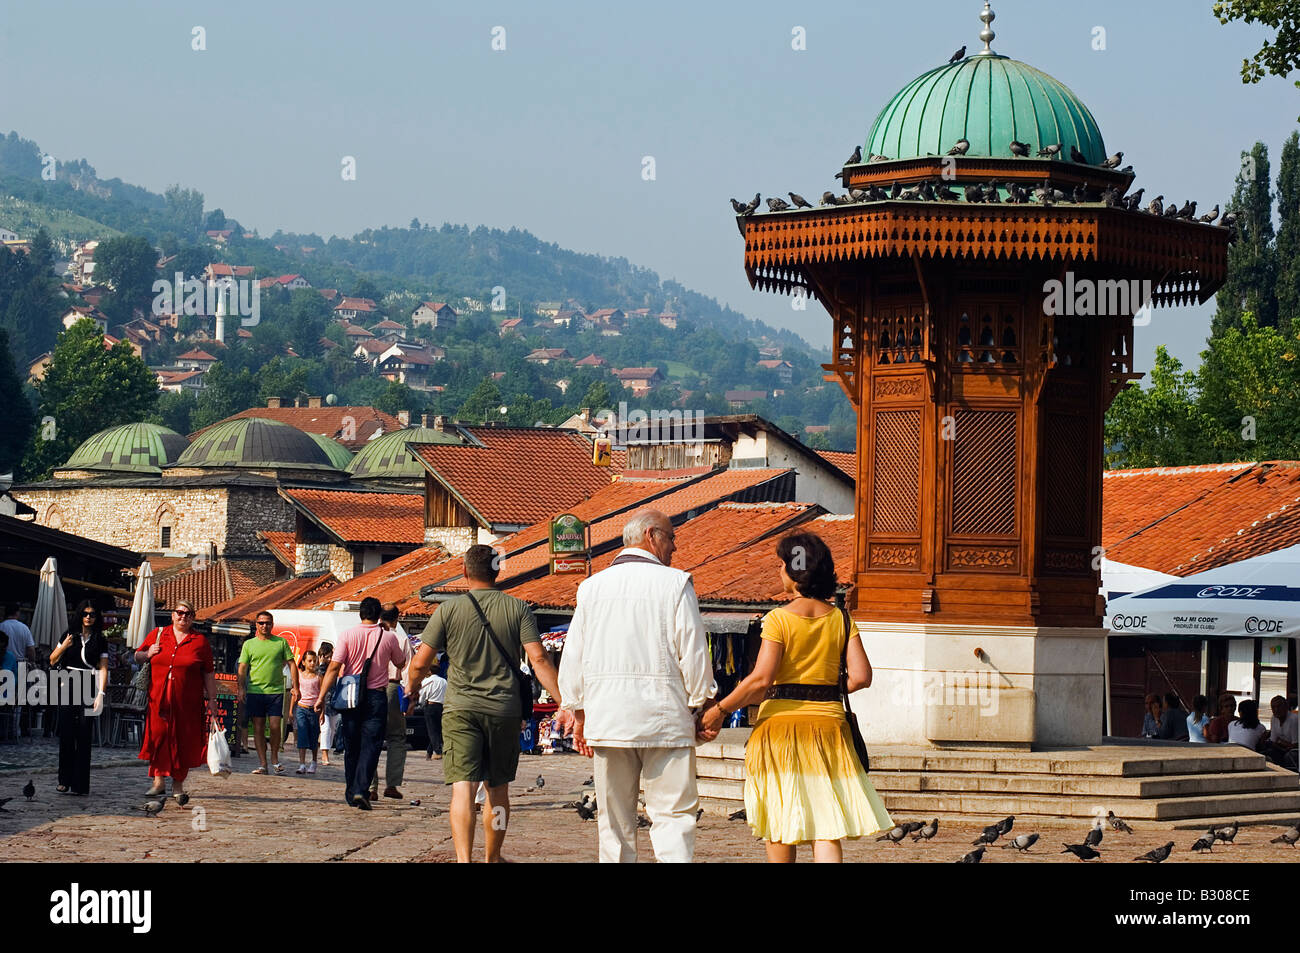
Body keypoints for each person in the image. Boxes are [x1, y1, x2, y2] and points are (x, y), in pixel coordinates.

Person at [699, 532, 892, 862]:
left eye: (781, 565)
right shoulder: (841, 619)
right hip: (829, 727)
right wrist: (826, 687)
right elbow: (861, 677)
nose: (779, 571)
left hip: (780, 729)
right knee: (826, 823)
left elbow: (761, 680)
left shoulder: (778, 619)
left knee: (780, 814)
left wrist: (719, 710)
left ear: (793, 570)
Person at [557, 509, 715, 863]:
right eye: (671, 537)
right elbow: (692, 651)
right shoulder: (675, 583)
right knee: (672, 817)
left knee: (613, 822)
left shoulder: (591, 587)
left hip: (609, 717)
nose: (674, 546)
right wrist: (700, 703)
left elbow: (574, 655)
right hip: (664, 719)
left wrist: (577, 709)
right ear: (651, 535)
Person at [407, 544, 563, 862]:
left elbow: (421, 663)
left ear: (465, 572)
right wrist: (564, 700)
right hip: (503, 711)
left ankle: (464, 860)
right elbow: (539, 659)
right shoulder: (519, 609)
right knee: (497, 788)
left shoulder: (447, 610)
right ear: (497, 571)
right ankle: (493, 857)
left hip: (460, 709)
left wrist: (411, 686)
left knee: (463, 787)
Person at [316, 598, 407, 810]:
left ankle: (351, 791)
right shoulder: (388, 637)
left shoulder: (347, 635)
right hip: (376, 696)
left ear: (360, 614)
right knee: (371, 745)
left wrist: (321, 697)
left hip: (350, 694)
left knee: (351, 745)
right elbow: (401, 662)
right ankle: (361, 789)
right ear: (378, 616)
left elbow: (333, 667)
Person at [135, 600, 218, 805]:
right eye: (179, 613)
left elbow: (208, 672)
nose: (183, 617)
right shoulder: (158, 634)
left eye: (188, 614)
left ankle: (178, 784)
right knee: (158, 737)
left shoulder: (199, 641)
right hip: (159, 699)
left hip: (187, 703)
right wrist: (148, 653)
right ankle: (158, 781)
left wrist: (213, 699)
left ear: (193, 618)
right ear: (172, 615)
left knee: (183, 741)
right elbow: (137, 656)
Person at [48, 600, 109, 796]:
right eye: (85, 613)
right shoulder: (68, 635)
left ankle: (80, 783)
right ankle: (64, 780)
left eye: (92, 614)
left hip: (90, 683)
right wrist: (64, 646)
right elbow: (52, 659)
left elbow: (103, 668)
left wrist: (101, 693)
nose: (88, 617)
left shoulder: (100, 639)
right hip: (68, 682)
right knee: (66, 731)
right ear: (79, 615)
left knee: (84, 733)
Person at [237, 610, 298, 775]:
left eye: (268, 623)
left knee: (275, 726)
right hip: (256, 691)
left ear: (272, 625)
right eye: (261, 623)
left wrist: (296, 686)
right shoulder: (249, 644)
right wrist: (241, 687)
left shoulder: (281, 643)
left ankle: (275, 759)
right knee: (258, 727)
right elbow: (242, 667)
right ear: (256, 624)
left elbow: (292, 664)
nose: (265, 625)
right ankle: (263, 764)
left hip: (276, 691)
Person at [369, 603, 413, 800]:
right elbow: (408, 671)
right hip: (393, 688)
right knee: (396, 738)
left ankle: (370, 786)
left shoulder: (370, 637)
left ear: (379, 617)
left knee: (371, 737)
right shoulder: (402, 639)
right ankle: (392, 784)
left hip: (371, 689)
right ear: (397, 618)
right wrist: (411, 697)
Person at [294, 650, 321, 774]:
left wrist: (322, 712)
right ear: (304, 662)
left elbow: (322, 695)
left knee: (313, 737)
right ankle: (302, 764)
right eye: (309, 661)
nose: (312, 663)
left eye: (314, 661)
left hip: (314, 710)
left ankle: (314, 762)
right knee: (302, 734)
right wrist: (290, 711)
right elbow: (295, 693)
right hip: (301, 708)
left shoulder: (318, 677)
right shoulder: (299, 675)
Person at [418, 658, 447, 760]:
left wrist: (421, 704)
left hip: (430, 706)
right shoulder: (444, 681)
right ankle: (429, 752)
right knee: (437, 729)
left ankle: (438, 751)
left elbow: (422, 695)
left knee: (431, 730)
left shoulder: (427, 681)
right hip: (441, 706)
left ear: (429, 671)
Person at [316, 643, 339, 765]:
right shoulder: (320, 669)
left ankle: (327, 750)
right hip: (323, 702)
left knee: (332, 729)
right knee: (325, 728)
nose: (330, 659)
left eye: (331, 656)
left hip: (334, 701)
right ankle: (324, 754)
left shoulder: (335, 667)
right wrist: (321, 664)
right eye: (328, 657)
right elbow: (319, 680)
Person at [1262, 695, 1298, 769]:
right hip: (1282, 749)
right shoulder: (1274, 718)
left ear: (1286, 706)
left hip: (1294, 750)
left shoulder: (1294, 719)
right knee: (1265, 754)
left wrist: (1281, 742)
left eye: (1279, 706)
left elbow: (1295, 745)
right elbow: (1273, 741)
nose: (1276, 710)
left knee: (1288, 756)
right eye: (1273, 707)